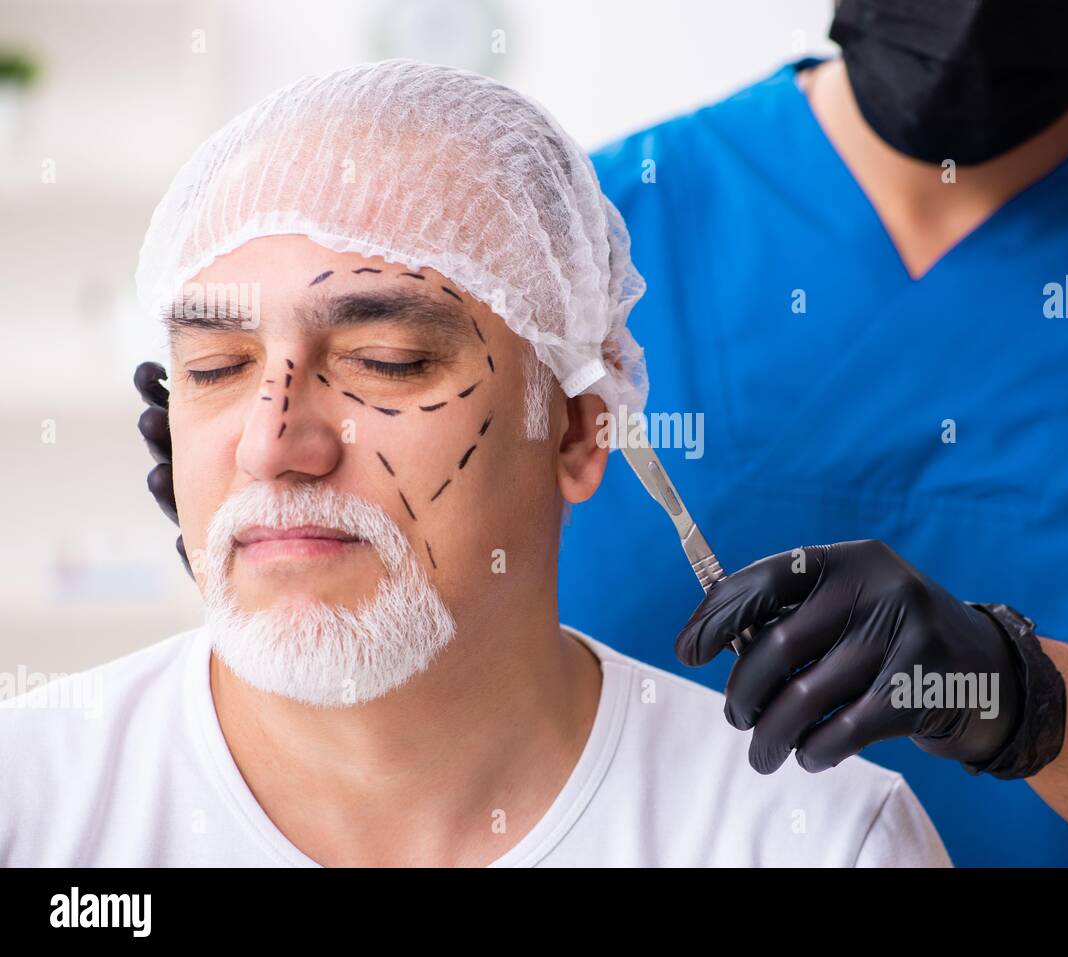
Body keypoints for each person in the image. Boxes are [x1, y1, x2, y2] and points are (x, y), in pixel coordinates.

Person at [135, 4, 1068, 866]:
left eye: (388, 362)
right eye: (217, 367)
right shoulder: (576, 246)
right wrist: (292, 542)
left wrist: (1022, 696)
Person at [3, 60, 950, 867]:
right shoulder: (33, 805)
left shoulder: (807, 843)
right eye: (216, 369)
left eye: (388, 364)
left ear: (580, 433)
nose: (269, 441)